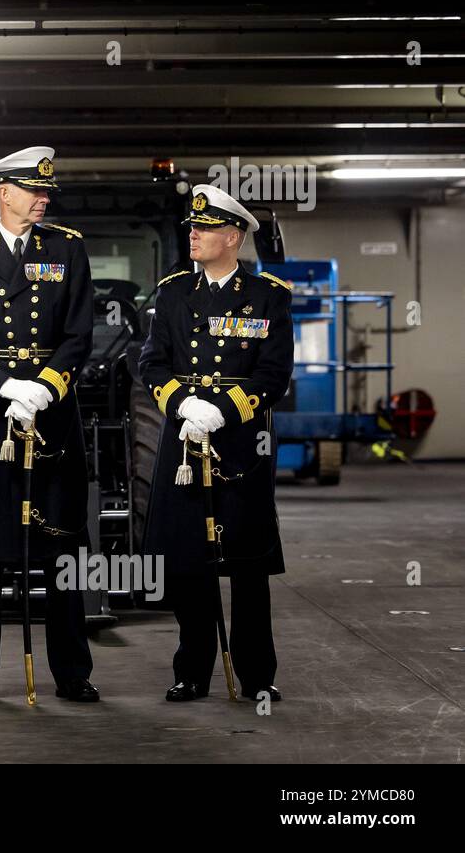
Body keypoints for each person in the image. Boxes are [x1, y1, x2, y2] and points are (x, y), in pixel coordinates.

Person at [0, 145, 98, 704]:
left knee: (63, 549)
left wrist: (44, 386)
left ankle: (73, 673)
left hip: (52, 410)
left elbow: (80, 333)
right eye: (33, 189)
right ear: (3, 193)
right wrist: (5, 386)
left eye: (46, 189)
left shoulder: (66, 249)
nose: (43, 198)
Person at [138, 183, 294, 703]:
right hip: (184, 441)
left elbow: (274, 375)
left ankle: (256, 675)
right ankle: (192, 671)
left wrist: (221, 409)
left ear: (232, 237)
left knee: (247, 566)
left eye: (204, 230)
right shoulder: (174, 291)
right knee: (188, 563)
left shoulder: (268, 295)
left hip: (241, 446)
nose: (194, 236)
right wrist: (184, 404)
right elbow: (152, 363)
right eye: (192, 229)